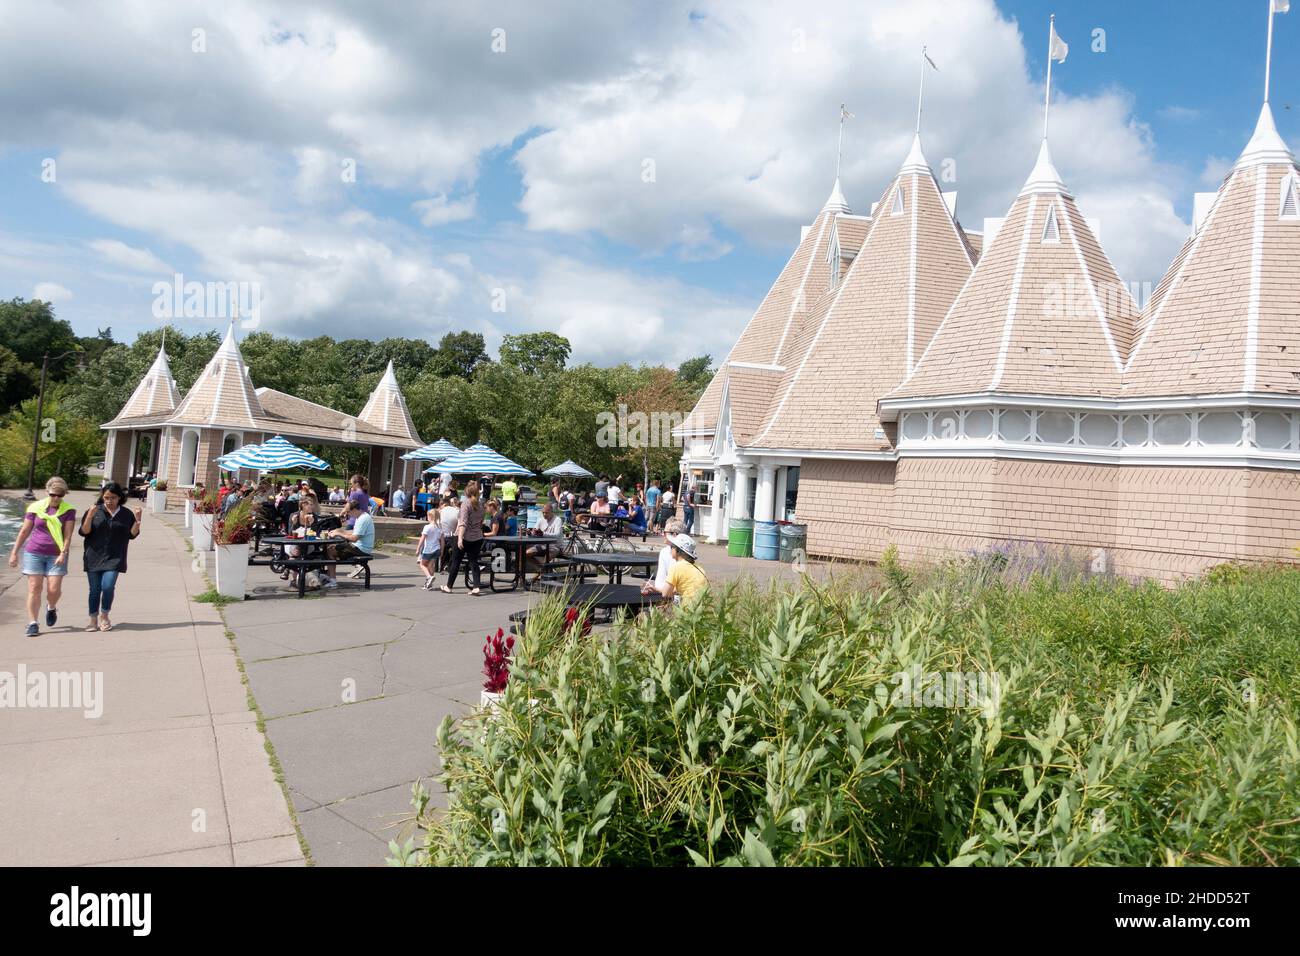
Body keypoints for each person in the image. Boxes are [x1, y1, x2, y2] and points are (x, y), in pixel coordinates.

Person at [9, 476, 77, 636]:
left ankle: (51, 607)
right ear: (47, 492)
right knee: (34, 587)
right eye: (53, 494)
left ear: (64, 495)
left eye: (60, 495)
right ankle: (33, 623)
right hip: (34, 552)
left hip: (56, 554)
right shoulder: (35, 507)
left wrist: (63, 553)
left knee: (53, 590)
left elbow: (68, 535)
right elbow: (25, 531)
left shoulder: (68, 510)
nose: (56, 498)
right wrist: (14, 552)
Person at [79, 481, 142, 631]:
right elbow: (84, 532)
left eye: (113, 498)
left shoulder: (126, 514)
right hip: (93, 556)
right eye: (106, 497)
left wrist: (138, 520)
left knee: (107, 587)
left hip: (115, 557)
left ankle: (105, 615)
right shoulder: (94, 511)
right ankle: (93, 619)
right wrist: (89, 517)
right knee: (94, 589)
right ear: (102, 497)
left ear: (119, 497)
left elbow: (132, 535)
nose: (109, 501)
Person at [442, 480, 485, 596]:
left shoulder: (466, 504)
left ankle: (449, 586)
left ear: (466, 493)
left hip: (464, 536)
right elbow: (481, 522)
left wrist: (460, 538)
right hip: (477, 537)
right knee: (473, 562)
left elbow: (463, 523)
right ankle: (476, 587)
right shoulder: (481, 505)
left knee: (456, 561)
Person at [642, 532, 706, 607]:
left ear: (678, 551)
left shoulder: (677, 567)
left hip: (687, 610)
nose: (670, 548)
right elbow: (674, 590)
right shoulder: (699, 568)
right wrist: (655, 589)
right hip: (701, 608)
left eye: (672, 546)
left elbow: (666, 594)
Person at [322, 498, 374, 589]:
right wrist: (340, 531)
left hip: (361, 549)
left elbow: (354, 538)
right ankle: (330, 576)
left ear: (354, 510)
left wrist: (339, 533)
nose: (347, 514)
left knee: (330, 550)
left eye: (348, 512)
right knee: (330, 548)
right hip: (360, 547)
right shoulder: (362, 516)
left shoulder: (363, 519)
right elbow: (355, 533)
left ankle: (333, 581)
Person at [415, 512, 443, 590]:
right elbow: (442, 540)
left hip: (428, 549)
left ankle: (429, 577)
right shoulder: (439, 527)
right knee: (431, 565)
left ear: (430, 517)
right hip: (437, 549)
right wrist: (442, 550)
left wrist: (418, 548)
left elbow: (422, 539)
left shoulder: (427, 527)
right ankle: (429, 584)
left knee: (422, 564)